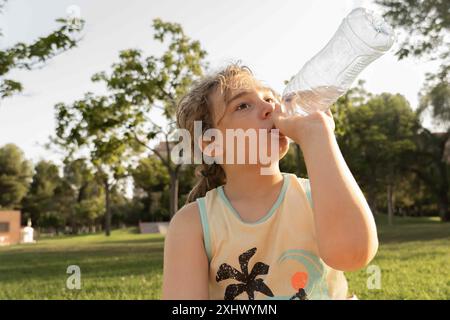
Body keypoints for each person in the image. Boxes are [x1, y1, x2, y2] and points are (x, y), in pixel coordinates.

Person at [162, 63, 378, 300]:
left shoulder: (317, 195)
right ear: (212, 144)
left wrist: (319, 135)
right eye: (243, 105)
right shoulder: (192, 224)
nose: (270, 108)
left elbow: (353, 255)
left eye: (269, 98)